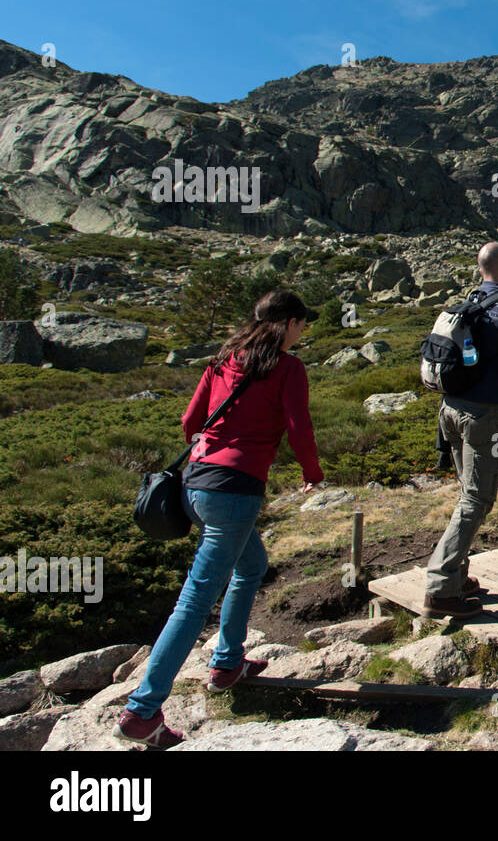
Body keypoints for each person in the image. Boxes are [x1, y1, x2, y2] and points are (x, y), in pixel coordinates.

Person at [114, 290, 324, 749]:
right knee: (193, 602)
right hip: (234, 493)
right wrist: (312, 473)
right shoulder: (287, 368)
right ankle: (142, 711)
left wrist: (214, 451)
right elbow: (298, 426)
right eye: (301, 324)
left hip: (195, 484)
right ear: (288, 323)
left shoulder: (224, 358)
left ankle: (228, 663)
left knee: (250, 566)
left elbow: (191, 421)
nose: (302, 332)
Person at [423, 242, 498, 618]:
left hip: (449, 411)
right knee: (478, 498)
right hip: (483, 418)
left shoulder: (467, 303)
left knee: (467, 493)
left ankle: (457, 575)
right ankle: (441, 586)